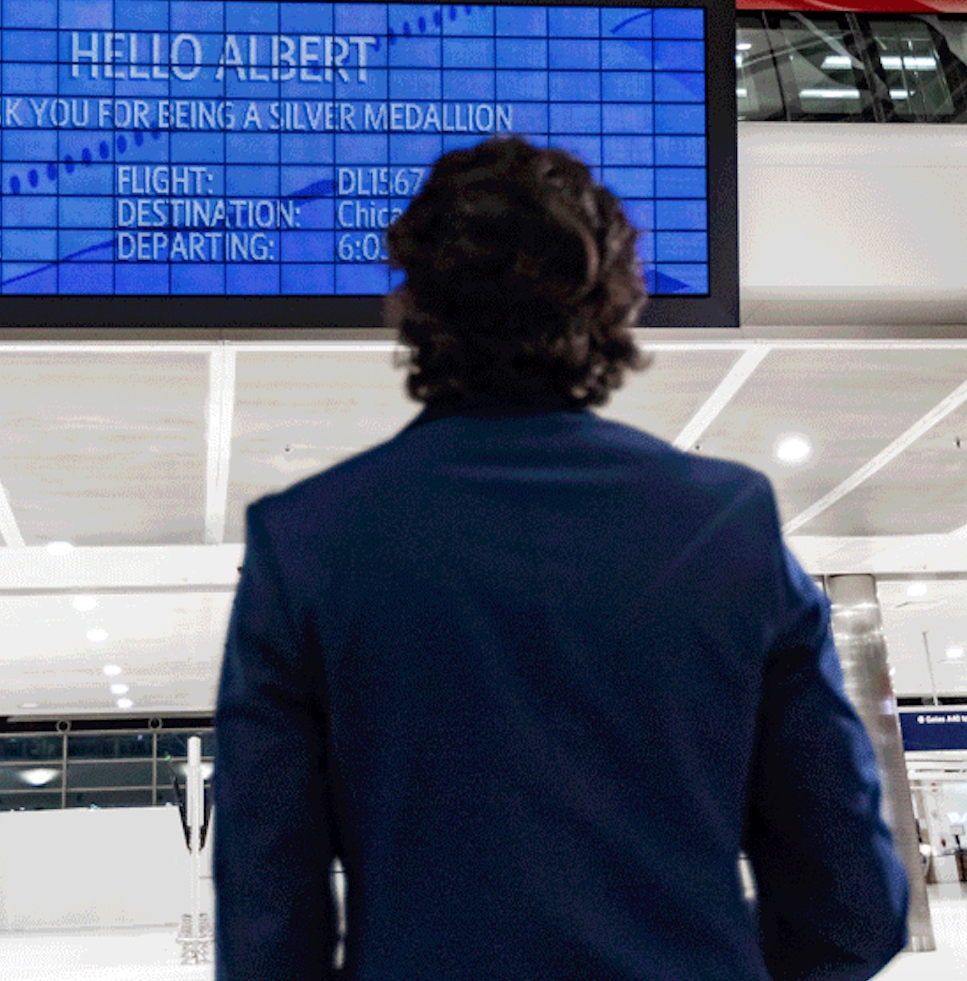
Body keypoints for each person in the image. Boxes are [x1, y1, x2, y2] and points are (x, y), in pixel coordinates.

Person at [214, 137, 910, 980]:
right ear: (614, 304)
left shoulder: (306, 541)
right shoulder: (727, 524)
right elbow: (852, 906)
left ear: (415, 303)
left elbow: (265, 925)